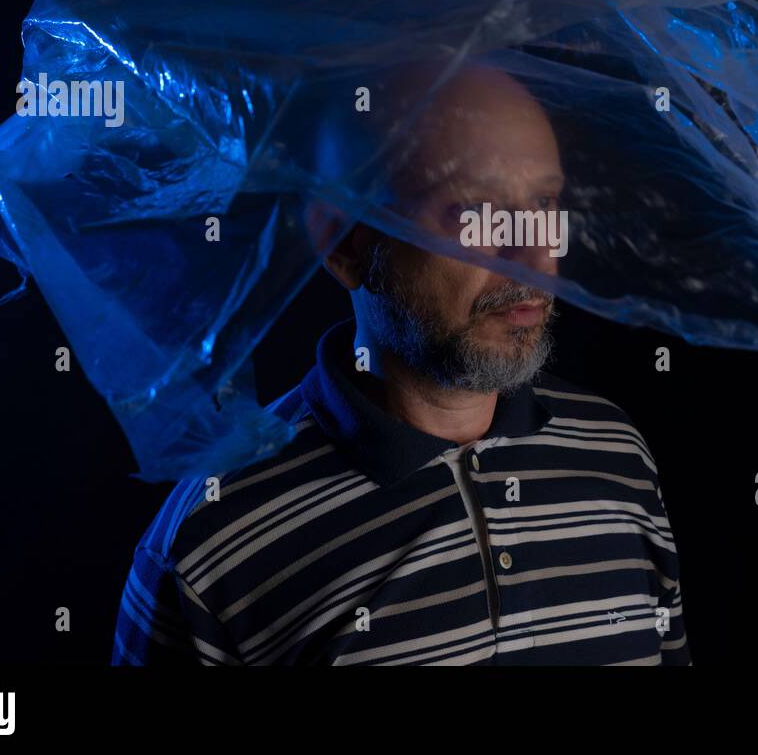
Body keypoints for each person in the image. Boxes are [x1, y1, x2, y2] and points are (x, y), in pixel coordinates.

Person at [111, 60, 691, 665]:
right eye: (475, 210)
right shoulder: (213, 539)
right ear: (345, 244)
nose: (533, 252)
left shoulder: (616, 452)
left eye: (544, 201)